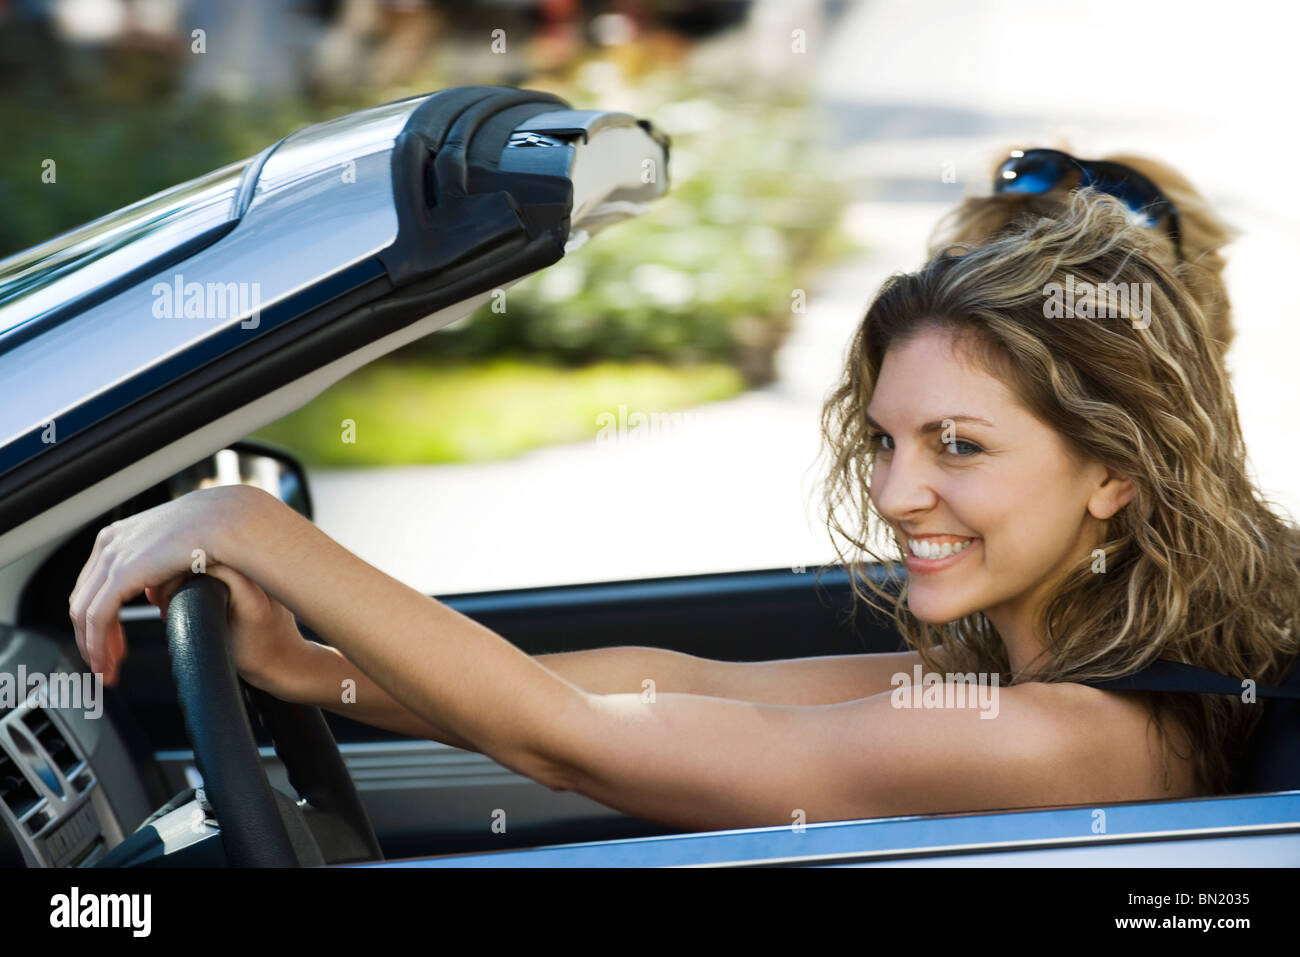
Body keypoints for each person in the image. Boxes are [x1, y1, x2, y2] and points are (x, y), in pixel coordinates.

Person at [68, 150, 1300, 831]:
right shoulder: (1040, 670)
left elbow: (582, 744)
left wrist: (247, 523)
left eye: (959, 447)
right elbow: (683, 686)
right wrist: (305, 669)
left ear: (1114, 478)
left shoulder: (1054, 733)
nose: (897, 489)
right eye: (884, 441)